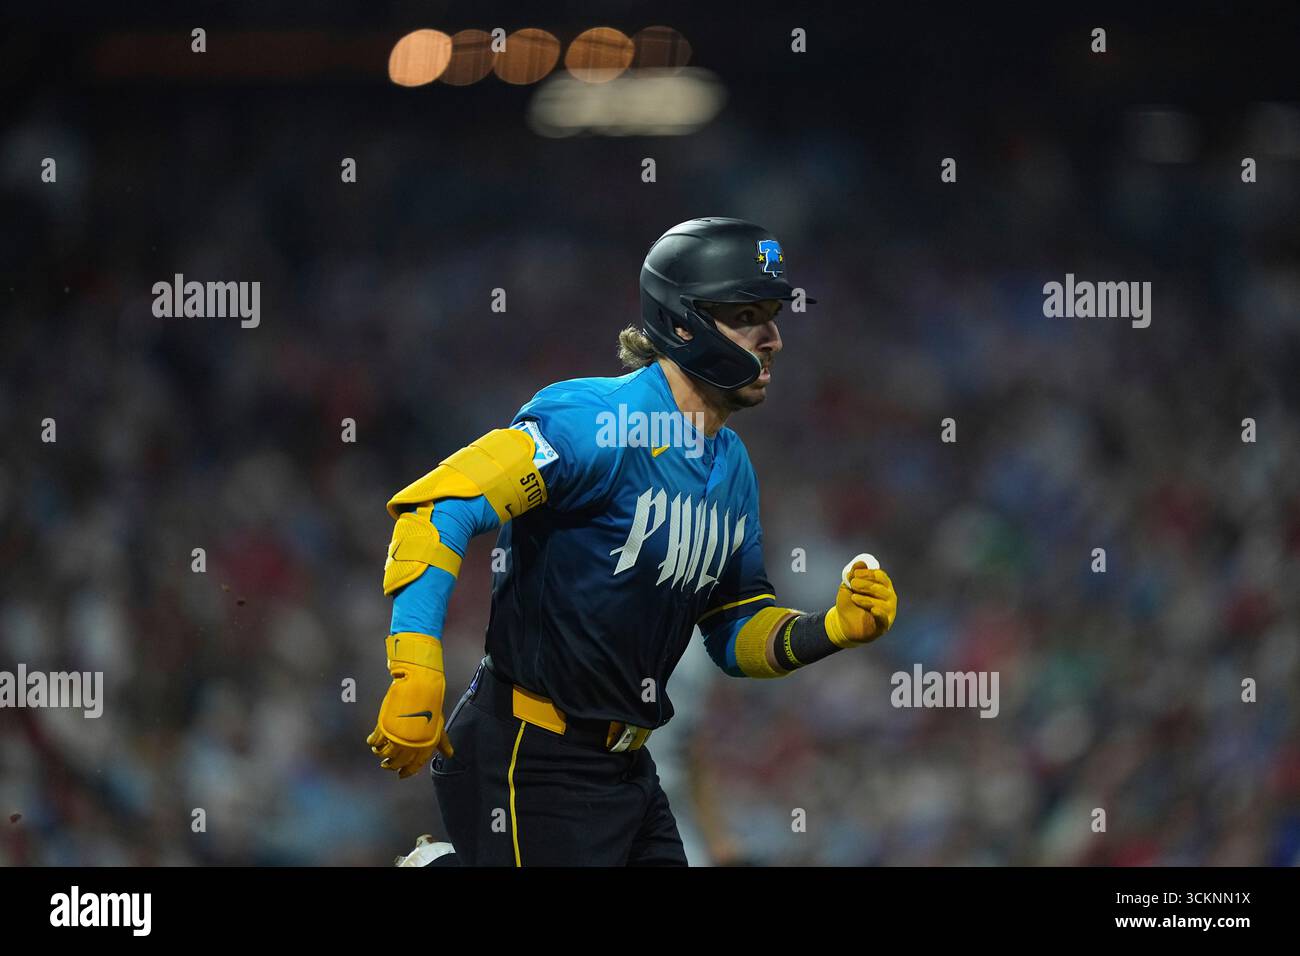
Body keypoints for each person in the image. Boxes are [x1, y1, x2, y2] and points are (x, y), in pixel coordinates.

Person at [367, 217, 899, 866]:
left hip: (629, 769)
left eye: (774, 316)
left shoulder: (731, 466)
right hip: (529, 755)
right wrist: (416, 664)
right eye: (748, 315)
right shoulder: (588, 421)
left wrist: (834, 629)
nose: (774, 338)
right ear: (682, 324)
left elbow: (734, 631)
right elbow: (439, 506)